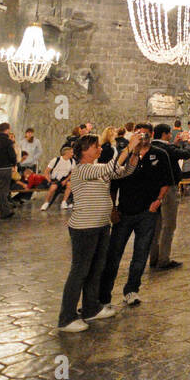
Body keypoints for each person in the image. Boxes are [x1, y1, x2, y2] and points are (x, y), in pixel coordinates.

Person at [58, 133, 142, 332]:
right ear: (85, 151)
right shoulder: (82, 170)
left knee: (96, 269)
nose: (100, 149)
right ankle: (66, 317)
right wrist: (127, 147)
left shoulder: (96, 168)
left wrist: (135, 153)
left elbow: (123, 172)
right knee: (79, 272)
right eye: (96, 146)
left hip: (101, 225)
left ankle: (91, 308)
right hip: (84, 228)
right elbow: (111, 167)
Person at [99, 125, 171, 308]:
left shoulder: (160, 155)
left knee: (140, 254)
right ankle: (104, 296)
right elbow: (113, 183)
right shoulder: (124, 156)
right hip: (124, 211)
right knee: (113, 254)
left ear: (152, 135)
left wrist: (158, 200)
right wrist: (112, 209)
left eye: (146, 134)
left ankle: (131, 290)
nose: (143, 137)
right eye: (139, 134)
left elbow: (166, 181)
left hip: (147, 212)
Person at [150, 123, 190, 269]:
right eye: (169, 134)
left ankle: (154, 258)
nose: (170, 136)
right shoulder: (167, 149)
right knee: (169, 225)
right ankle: (164, 260)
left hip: (153, 190)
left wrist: (174, 144)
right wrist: (186, 143)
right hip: (168, 189)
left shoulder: (151, 146)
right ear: (164, 134)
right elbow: (186, 154)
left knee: (156, 225)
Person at [38, 145, 75, 211]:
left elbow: (72, 173)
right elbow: (46, 172)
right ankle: (46, 203)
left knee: (69, 185)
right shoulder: (56, 160)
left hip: (64, 178)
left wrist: (65, 180)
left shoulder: (72, 161)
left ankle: (64, 202)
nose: (73, 154)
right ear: (67, 153)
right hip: (55, 179)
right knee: (53, 187)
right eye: (71, 152)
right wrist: (49, 181)